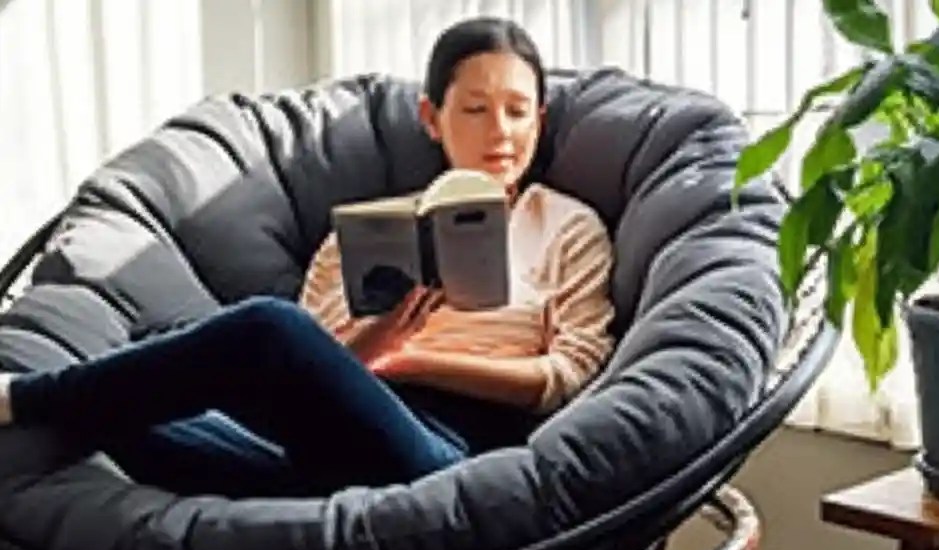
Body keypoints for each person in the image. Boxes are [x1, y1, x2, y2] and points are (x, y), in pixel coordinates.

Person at [0, 17, 615, 498]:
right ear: (432, 118)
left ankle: (25, 396)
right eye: (475, 110)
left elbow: (568, 377)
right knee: (132, 415)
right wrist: (370, 347)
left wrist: (413, 360)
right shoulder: (368, 233)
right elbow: (305, 373)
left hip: (452, 459)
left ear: (540, 119)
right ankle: (60, 413)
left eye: (517, 111)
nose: (500, 131)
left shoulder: (567, 226)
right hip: (324, 443)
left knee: (264, 328)